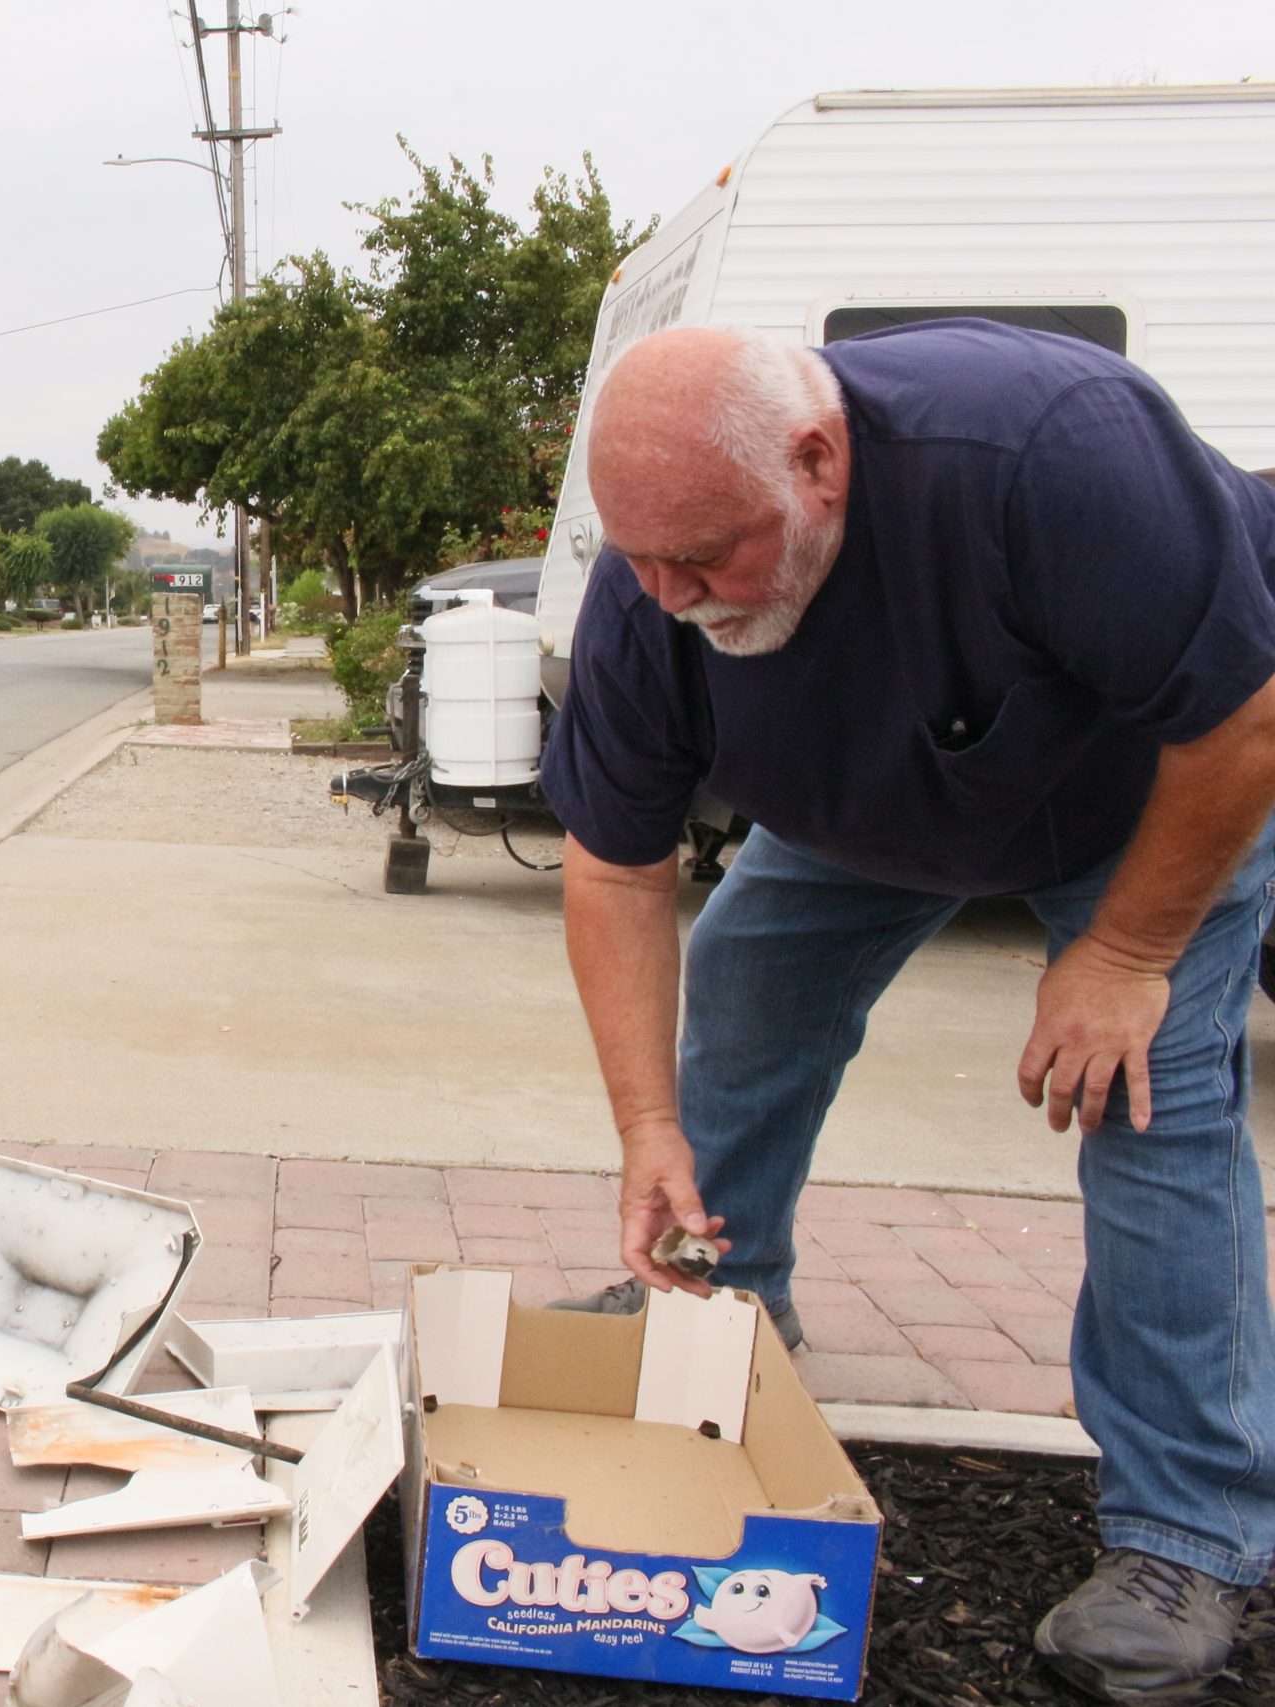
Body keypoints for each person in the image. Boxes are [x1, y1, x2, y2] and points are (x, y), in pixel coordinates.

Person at [541, 319, 1275, 1704]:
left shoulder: (1051, 451)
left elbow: (1242, 718)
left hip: (1149, 803)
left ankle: (1190, 1530)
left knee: (1148, 1099)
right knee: (749, 987)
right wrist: (646, 1127)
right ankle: (725, 1293)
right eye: (643, 562)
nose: (674, 595)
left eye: (708, 556)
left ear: (818, 462)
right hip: (862, 800)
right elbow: (616, 865)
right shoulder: (651, 590)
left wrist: (1126, 952)